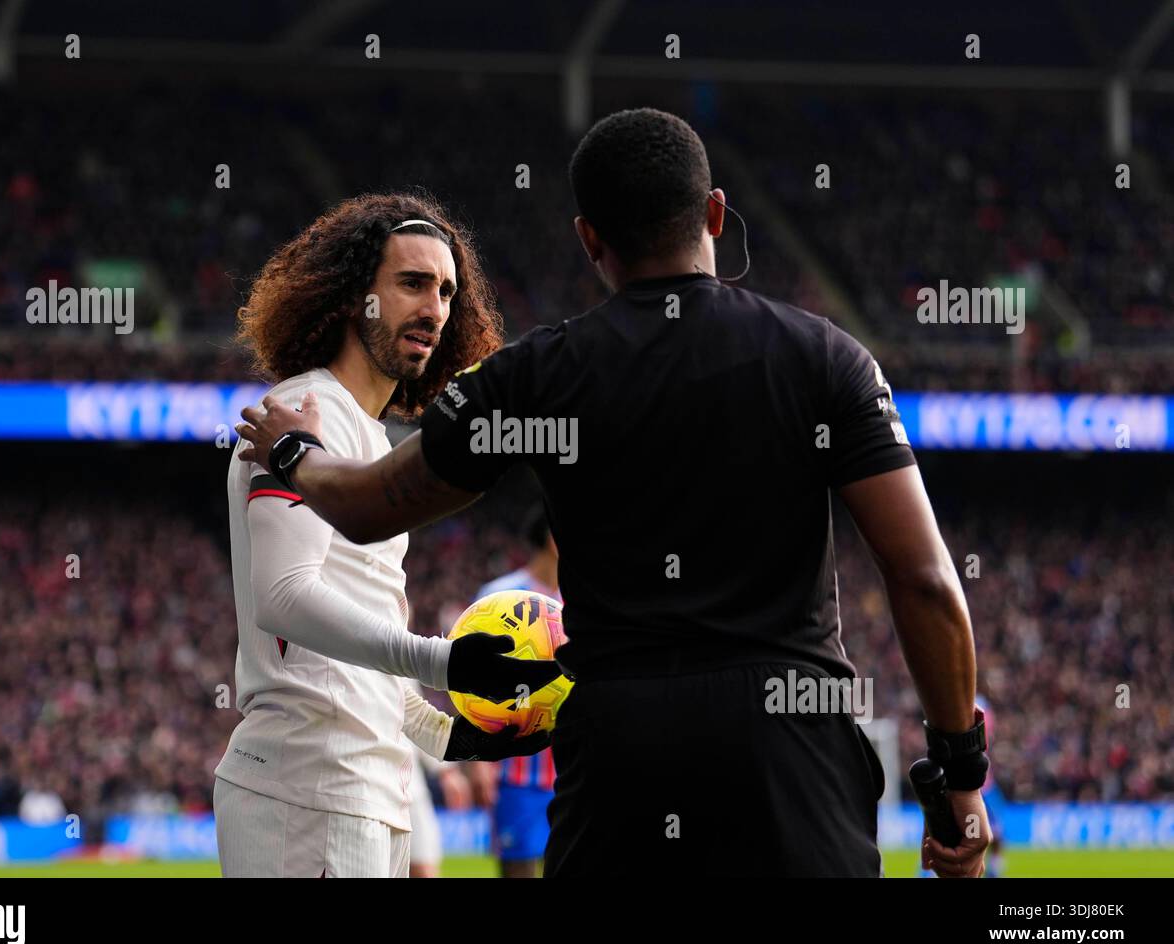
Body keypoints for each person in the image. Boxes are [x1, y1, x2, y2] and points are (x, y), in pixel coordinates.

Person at [235, 110, 990, 878]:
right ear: (716, 215)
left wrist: (293, 453)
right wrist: (960, 778)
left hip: (620, 760)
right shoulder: (827, 359)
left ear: (590, 238)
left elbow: (367, 506)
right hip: (790, 749)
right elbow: (925, 580)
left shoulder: (536, 376)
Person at [215, 192, 556, 878]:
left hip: (360, 793)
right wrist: (445, 662)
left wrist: (458, 735)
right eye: (412, 283)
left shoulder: (370, 441)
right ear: (350, 297)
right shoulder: (302, 414)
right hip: (304, 790)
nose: (434, 309)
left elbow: (373, 678)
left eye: (447, 291)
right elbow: (281, 596)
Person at [468, 506, 562, 877]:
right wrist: (478, 762)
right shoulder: (500, 596)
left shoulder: (587, 602)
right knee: (518, 869)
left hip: (575, 765)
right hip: (517, 769)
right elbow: (474, 682)